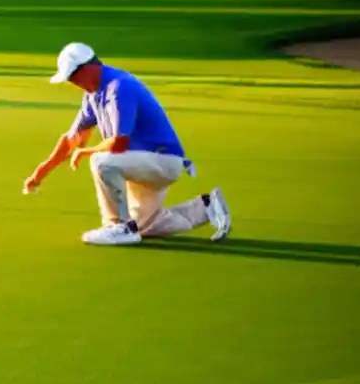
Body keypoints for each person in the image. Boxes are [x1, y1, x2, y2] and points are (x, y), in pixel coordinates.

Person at [23, 42, 231, 246]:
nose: (71, 82)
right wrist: (42, 171)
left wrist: (86, 152)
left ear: (88, 67)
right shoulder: (92, 95)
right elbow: (73, 138)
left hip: (163, 160)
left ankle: (119, 226)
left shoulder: (119, 87)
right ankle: (208, 207)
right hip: (142, 163)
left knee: (101, 161)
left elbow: (119, 143)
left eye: (72, 76)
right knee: (146, 225)